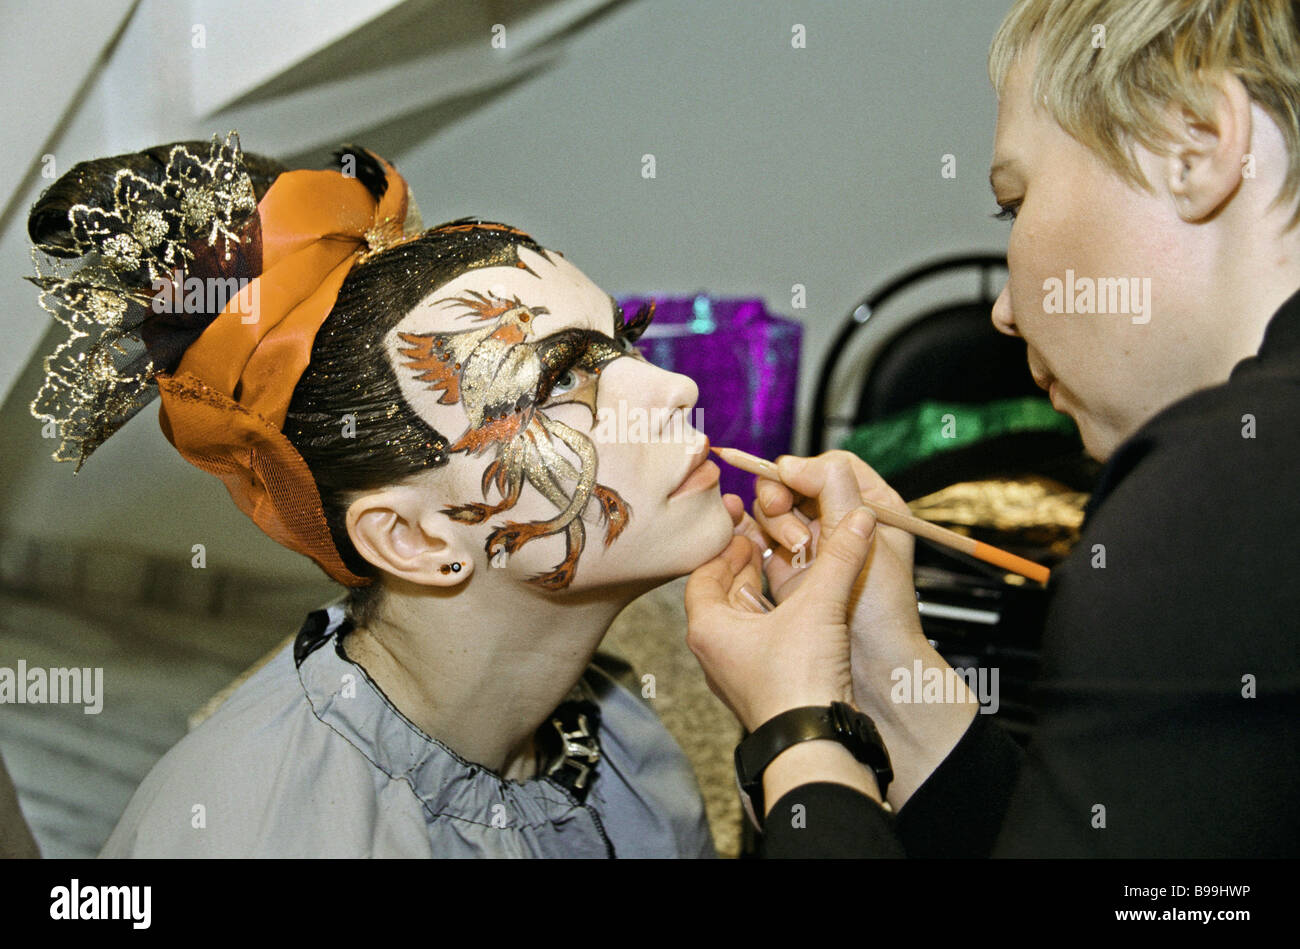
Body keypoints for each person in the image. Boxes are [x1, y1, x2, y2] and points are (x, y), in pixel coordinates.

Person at [685, 0, 1300, 858]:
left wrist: (801, 734)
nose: (1007, 313)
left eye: (1015, 203)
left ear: (1197, 142)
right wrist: (894, 674)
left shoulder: (1222, 494)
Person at [28, 135, 732, 857]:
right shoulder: (271, 838)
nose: (674, 388)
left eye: (625, 339)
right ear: (412, 539)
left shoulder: (618, 742)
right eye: (556, 382)